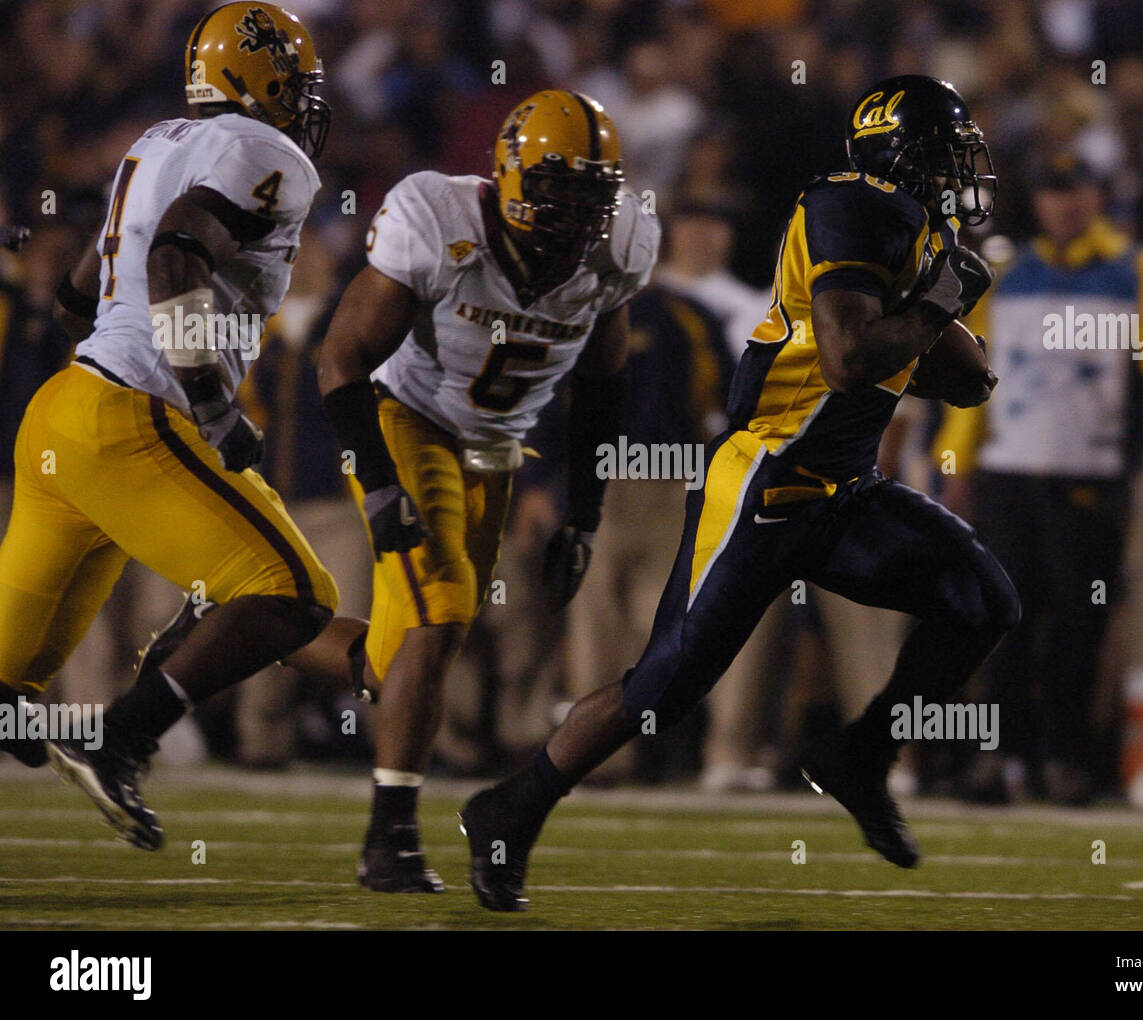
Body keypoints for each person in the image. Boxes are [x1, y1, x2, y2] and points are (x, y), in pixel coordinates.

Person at [459, 75, 1020, 912]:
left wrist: (949, 328)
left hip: (841, 487)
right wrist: (940, 299)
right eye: (945, 155)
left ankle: (858, 758)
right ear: (900, 156)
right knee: (665, 686)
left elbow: (963, 377)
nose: (958, 174)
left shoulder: (914, 230)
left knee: (983, 601)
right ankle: (511, 805)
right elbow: (849, 357)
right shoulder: (849, 203)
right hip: (764, 478)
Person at [1, 3, 347, 848]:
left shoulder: (154, 141)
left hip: (62, 415)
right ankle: (124, 738)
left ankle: (155, 675)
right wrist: (214, 398)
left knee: (7, 691)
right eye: (294, 86)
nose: (304, 105)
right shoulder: (268, 152)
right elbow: (173, 256)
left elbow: (77, 294)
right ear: (257, 81)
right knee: (294, 597)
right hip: (132, 417)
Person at [314, 90, 659, 892]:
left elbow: (604, 389)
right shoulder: (437, 220)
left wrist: (584, 514)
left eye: (590, 196)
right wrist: (373, 480)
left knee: (401, 659)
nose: (574, 216)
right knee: (441, 618)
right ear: (506, 176)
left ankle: (252, 628)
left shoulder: (621, 250)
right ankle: (389, 839)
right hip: (410, 420)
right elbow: (340, 361)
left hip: (498, 446)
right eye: (555, 191)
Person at [935, 153, 1143, 804]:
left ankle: (1066, 757)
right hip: (1009, 472)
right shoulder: (1006, 272)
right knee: (1004, 623)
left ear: (1098, 197)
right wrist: (956, 462)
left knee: (1078, 627)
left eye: (1076, 190)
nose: (1064, 205)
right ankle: (1005, 759)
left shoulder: (1136, 272)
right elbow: (972, 370)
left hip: (1087, 472)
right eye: (1053, 193)